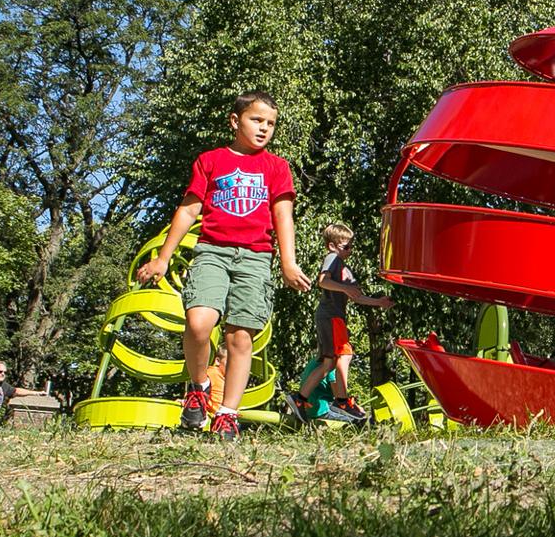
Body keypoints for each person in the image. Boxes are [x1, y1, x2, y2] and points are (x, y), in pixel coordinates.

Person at [135, 90, 310, 439]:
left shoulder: (276, 167)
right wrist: (163, 258)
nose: (264, 128)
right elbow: (188, 210)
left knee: (239, 336)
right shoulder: (211, 160)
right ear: (235, 121)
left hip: (256, 257)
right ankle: (199, 386)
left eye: (270, 123)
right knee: (199, 323)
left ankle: (228, 413)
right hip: (212, 251)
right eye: (256, 120)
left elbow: (283, 216)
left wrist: (288, 263)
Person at [291, 222, 393, 422]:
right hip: (331, 316)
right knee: (344, 355)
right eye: (346, 246)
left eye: (351, 246)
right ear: (332, 246)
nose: (350, 250)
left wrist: (379, 302)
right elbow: (323, 281)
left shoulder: (344, 268)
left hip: (333, 317)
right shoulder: (333, 258)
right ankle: (341, 400)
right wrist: (345, 288)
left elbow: (357, 297)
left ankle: (300, 399)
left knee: (329, 363)